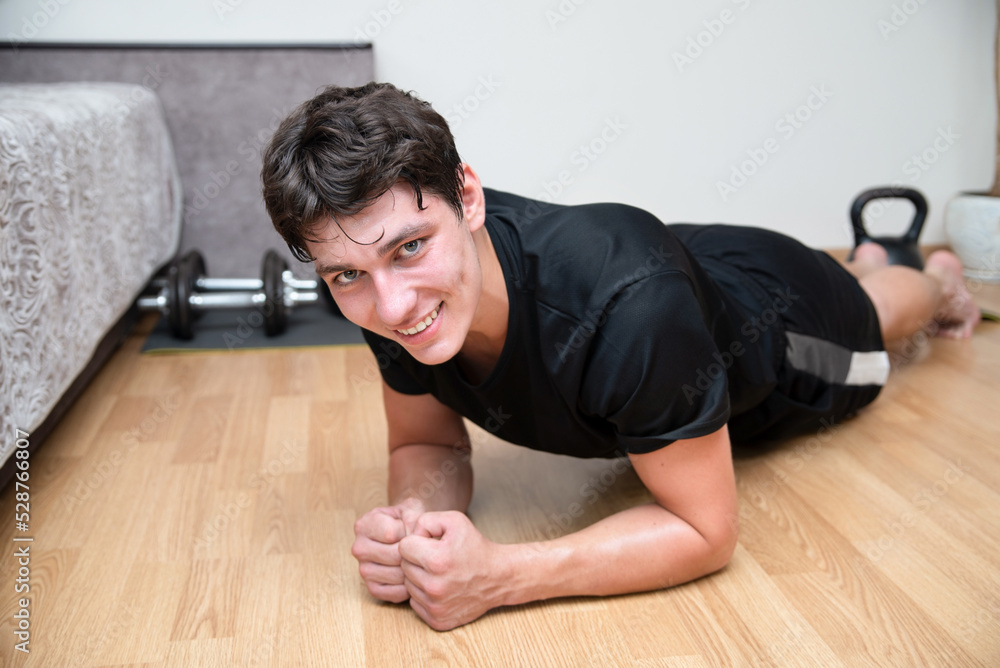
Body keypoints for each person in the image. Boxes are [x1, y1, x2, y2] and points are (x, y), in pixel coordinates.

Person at [260, 82, 980, 631]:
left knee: (876, 316)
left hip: (779, 321)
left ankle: (936, 279)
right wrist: (414, 526)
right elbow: (424, 439)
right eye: (348, 276)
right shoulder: (386, 283)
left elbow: (706, 532)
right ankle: (869, 260)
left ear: (467, 197)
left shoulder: (632, 309)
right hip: (678, 266)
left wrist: (501, 575)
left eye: (409, 248)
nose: (390, 309)